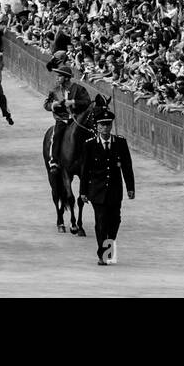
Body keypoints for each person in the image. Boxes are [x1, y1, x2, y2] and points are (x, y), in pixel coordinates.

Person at [79, 108, 134, 265]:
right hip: (97, 191)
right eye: (102, 125)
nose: (105, 128)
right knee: (101, 222)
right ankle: (104, 255)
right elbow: (85, 170)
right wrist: (83, 191)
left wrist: (130, 187)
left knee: (115, 221)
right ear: (97, 126)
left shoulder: (120, 143)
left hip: (115, 191)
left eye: (108, 125)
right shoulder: (89, 145)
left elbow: (127, 167)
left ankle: (109, 247)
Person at [43, 57, 91, 171]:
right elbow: (46, 104)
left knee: (91, 134)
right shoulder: (55, 91)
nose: (57, 78)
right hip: (63, 119)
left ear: (66, 78)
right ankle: (53, 160)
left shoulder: (79, 89)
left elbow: (87, 102)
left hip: (77, 119)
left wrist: (74, 102)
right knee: (56, 135)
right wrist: (53, 105)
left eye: (59, 76)